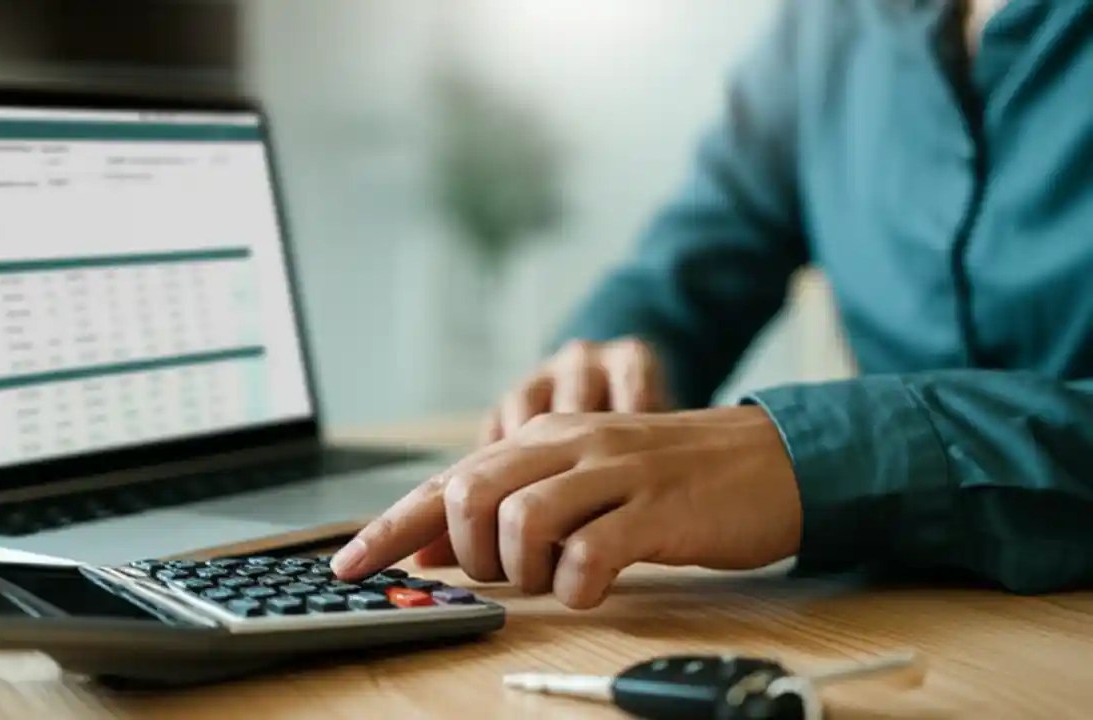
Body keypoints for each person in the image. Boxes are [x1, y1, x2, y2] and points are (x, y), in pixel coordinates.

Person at [331, 0, 1093, 608]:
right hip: (896, 614)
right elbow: (702, 250)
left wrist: (816, 457)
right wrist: (613, 363)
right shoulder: (827, 23)